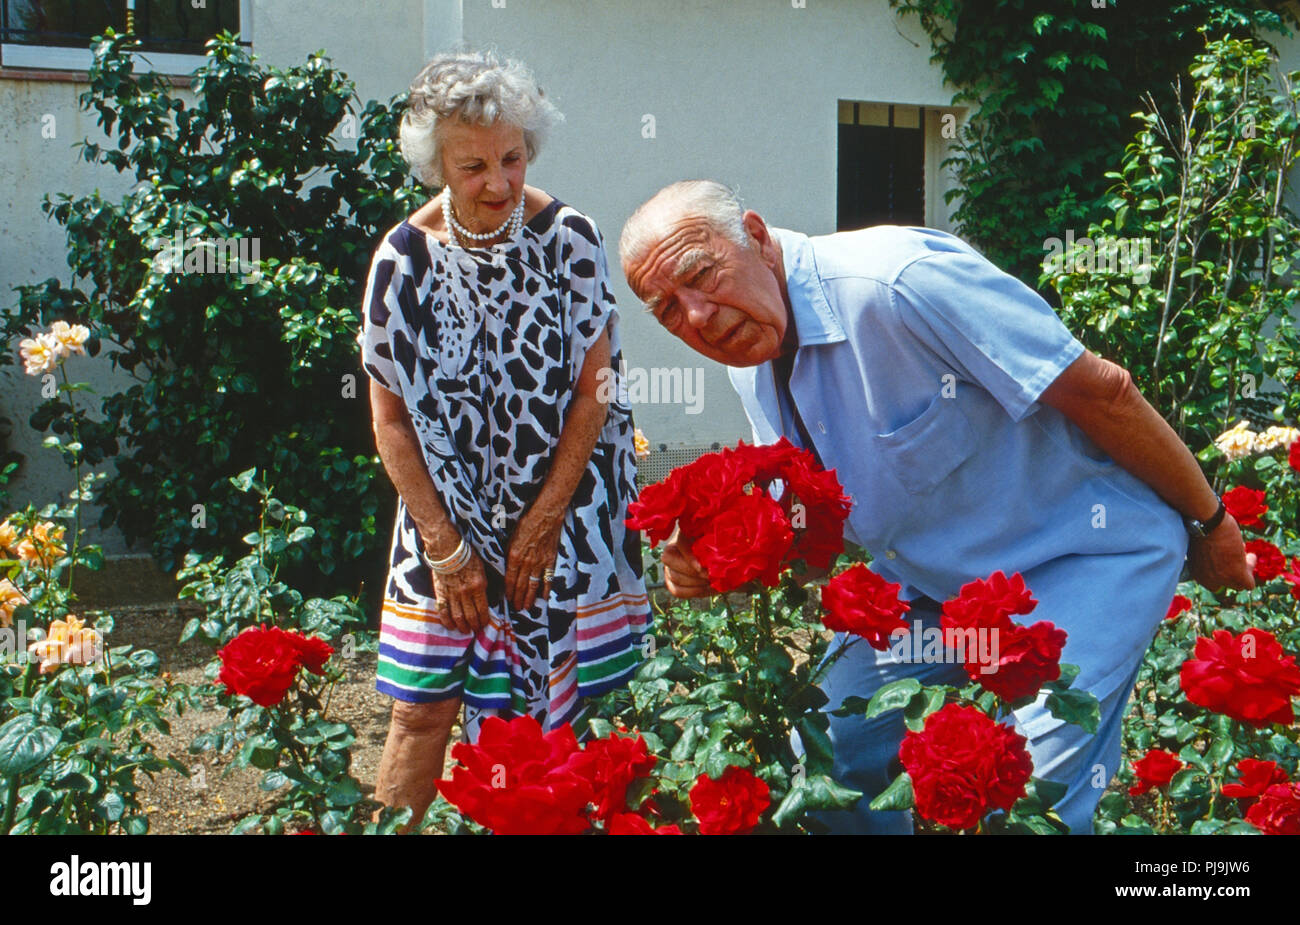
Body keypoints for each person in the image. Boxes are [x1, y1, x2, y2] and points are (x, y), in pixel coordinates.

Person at [617, 179, 1255, 834]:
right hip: (930, 589)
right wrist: (709, 549)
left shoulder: (896, 283)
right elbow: (806, 521)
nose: (695, 316)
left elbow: (1103, 391)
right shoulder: (750, 362)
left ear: (755, 235)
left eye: (701, 273)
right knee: (833, 752)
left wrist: (1211, 521)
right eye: (666, 308)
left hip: (1083, 557)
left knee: (1029, 796)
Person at [358, 50, 650, 829]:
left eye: (512, 158)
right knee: (421, 709)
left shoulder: (571, 240)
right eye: (473, 165)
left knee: (554, 722)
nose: (498, 183)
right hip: (441, 524)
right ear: (435, 167)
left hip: (559, 519)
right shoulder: (403, 260)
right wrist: (447, 546)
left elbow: (599, 389)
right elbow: (389, 420)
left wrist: (547, 516)